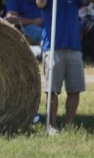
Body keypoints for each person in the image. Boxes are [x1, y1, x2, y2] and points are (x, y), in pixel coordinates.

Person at [37, 0, 85, 134]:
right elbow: (40, 3)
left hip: (74, 47)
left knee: (75, 89)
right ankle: (52, 125)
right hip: (53, 48)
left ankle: (69, 124)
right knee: (52, 90)